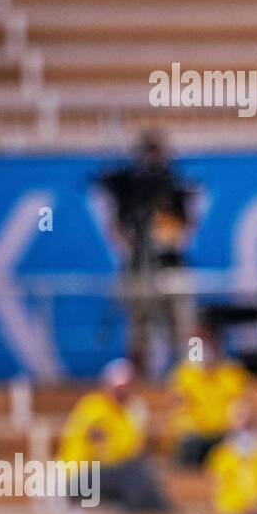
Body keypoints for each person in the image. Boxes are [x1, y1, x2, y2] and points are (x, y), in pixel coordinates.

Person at [97, 130, 197, 378]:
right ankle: (140, 376)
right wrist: (130, 246)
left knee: (180, 323)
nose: (152, 160)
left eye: (156, 153)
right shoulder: (129, 187)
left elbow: (186, 226)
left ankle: (183, 375)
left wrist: (168, 237)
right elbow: (116, 226)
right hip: (138, 267)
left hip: (171, 266)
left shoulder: (174, 185)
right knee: (139, 327)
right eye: (147, 153)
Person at [56, 359, 171, 513]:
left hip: (102, 474)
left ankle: (154, 508)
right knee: (132, 473)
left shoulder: (125, 412)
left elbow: (131, 450)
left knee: (138, 473)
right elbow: (112, 454)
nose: (124, 392)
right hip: (80, 476)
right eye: (120, 388)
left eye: (127, 387)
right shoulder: (94, 408)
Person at [168, 322, 249, 467]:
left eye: (206, 344)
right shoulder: (185, 374)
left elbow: (240, 405)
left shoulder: (232, 373)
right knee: (189, 445)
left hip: (225, 433)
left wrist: (231, 426)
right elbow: (180, 408)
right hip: (195, 434)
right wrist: (194, 428)